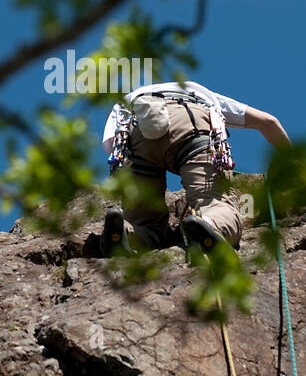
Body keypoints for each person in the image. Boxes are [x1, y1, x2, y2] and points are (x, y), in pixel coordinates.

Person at [100, 80, 292, 255]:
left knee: (144, 220)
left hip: (136, 131)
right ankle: (210, 224)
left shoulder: (126, 101)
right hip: (189, 119)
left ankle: (126, 232)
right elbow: (269, 121)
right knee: (213, 201)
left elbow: (110, 144)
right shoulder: (198, 91)